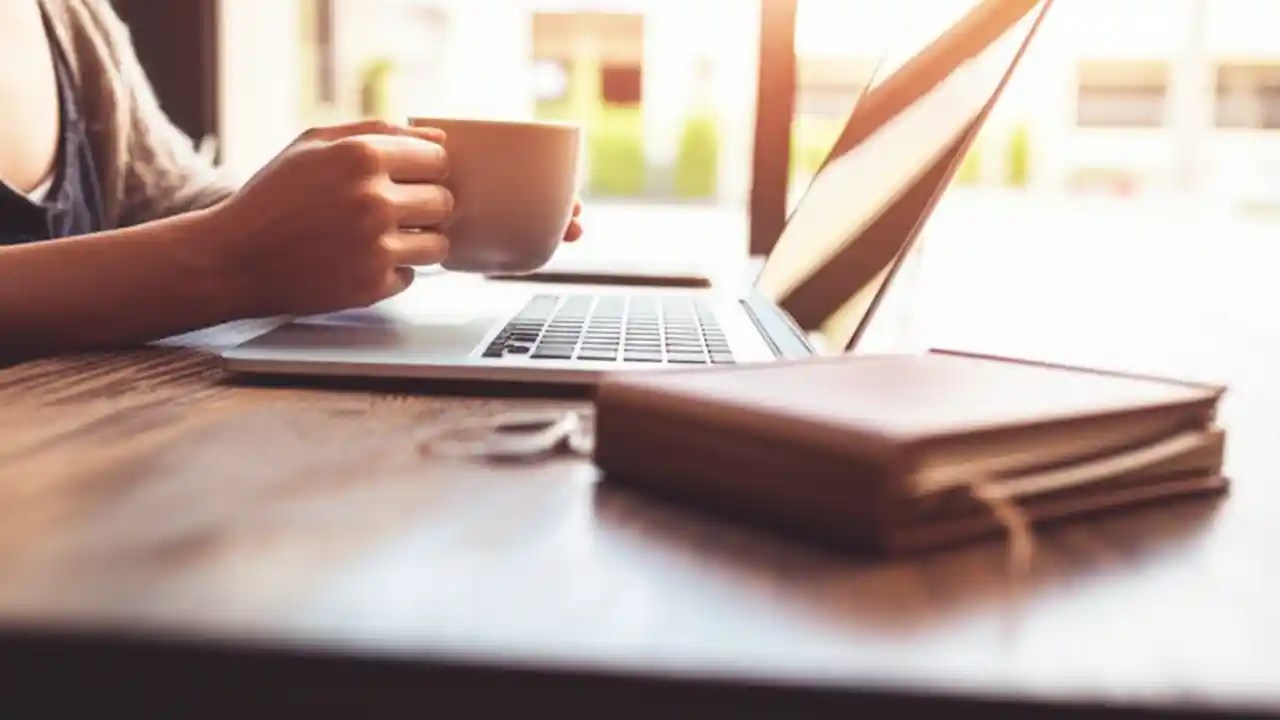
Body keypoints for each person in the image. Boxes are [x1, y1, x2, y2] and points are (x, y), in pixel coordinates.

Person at [0, 0, 583, 357]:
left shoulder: (67, 16)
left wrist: (381, 205)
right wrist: (230, 260)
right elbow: (216, 243)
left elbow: (165, 202)